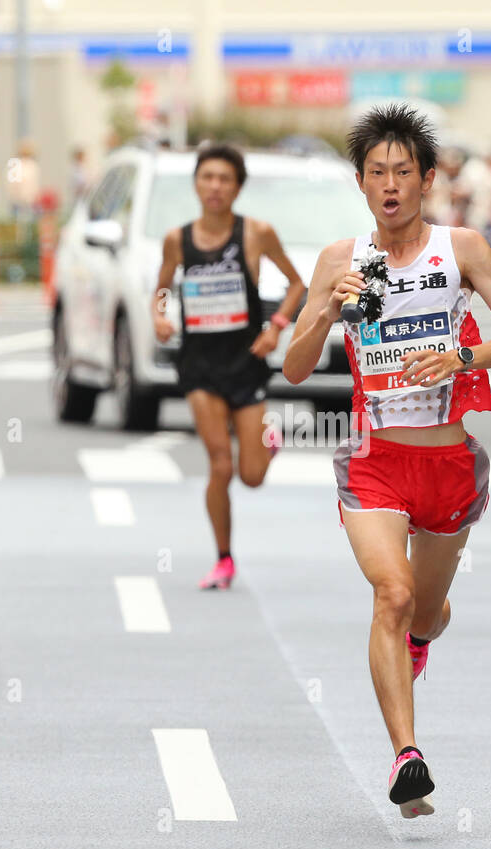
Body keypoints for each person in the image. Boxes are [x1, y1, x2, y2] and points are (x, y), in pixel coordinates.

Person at [282, 105, 491, 818]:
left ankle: (419, 638)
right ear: (361, 184)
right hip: (375, 462)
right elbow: (296, 368)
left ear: (427, 180)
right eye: (376, 173)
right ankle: (407, 758)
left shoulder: (463, 249)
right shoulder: (340, 261)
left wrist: (462, 354)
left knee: (426, 610)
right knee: (390, 596)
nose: (390, 185)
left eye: (403, 172)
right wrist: (327, 313)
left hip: (448, 464)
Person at [150, 144, 307, 590]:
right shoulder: (177, 240)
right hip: (199, 365)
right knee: (219, 465)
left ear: (238, 187)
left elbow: (297, 284)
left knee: (251, 477)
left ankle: (267, 441)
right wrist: (160, 315)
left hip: (246, 362)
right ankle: (223, 559)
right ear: (196, 184)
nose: (215, 186)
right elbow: (161, 289)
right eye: (207, 177)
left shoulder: (256, 233)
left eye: (225, 179)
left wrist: (276, 327)